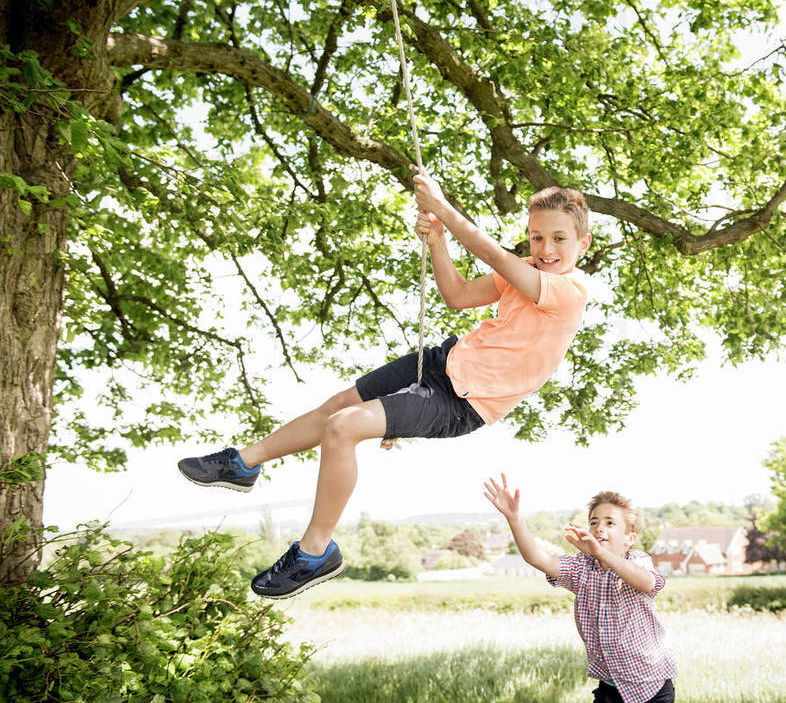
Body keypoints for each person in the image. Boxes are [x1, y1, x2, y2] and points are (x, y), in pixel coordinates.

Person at [177, 175, 592, 598]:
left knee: (343, 426)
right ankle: (244, 464)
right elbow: (457, 294)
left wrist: (445, 208)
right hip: (442, 361)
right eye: (537, 237)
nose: (545, 249)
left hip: (463, 403)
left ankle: (315, 551)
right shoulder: (525, 274)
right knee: (337, 405)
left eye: (559, 238)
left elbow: (499, 258)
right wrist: (437, 240)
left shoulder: (569, 292)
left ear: (583, 244)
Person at [484, 475, 676, 703]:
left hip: (651, 685)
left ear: (629, 538)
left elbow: (647, 583)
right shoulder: (581, 567)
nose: (598, 527)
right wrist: (514, 519)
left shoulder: (636, 560)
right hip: (610, 688)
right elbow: (536, 558)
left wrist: (601, 552)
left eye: (609, 522)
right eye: (593, 522)